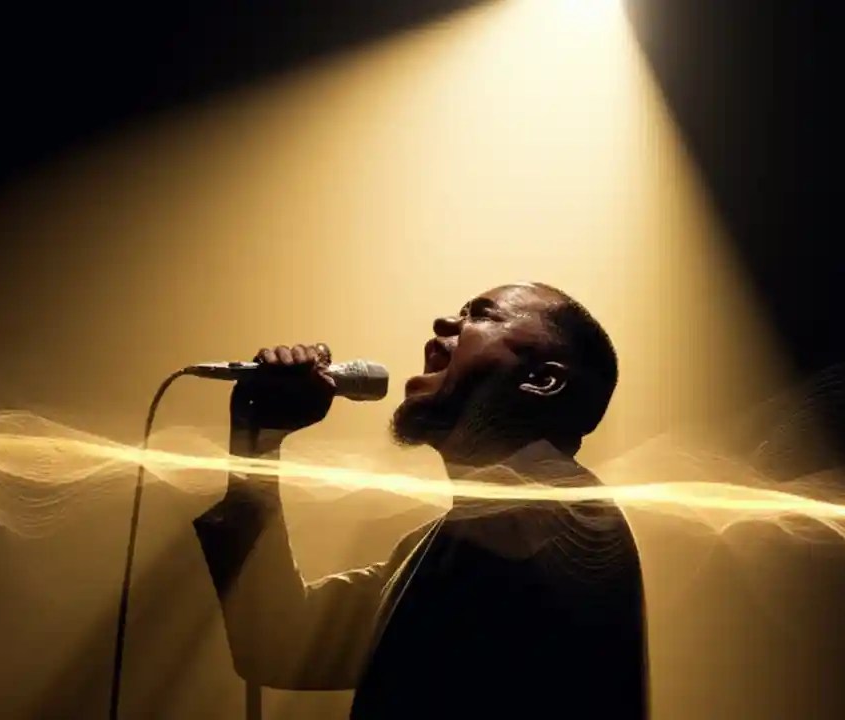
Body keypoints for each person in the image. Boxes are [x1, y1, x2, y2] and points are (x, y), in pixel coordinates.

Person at [194, 282, 649, 719]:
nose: (443, 321)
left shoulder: (574, 514)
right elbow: (280, 644)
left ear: (543, 379)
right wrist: (258, 438)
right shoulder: (430, 548)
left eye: (481, 314)